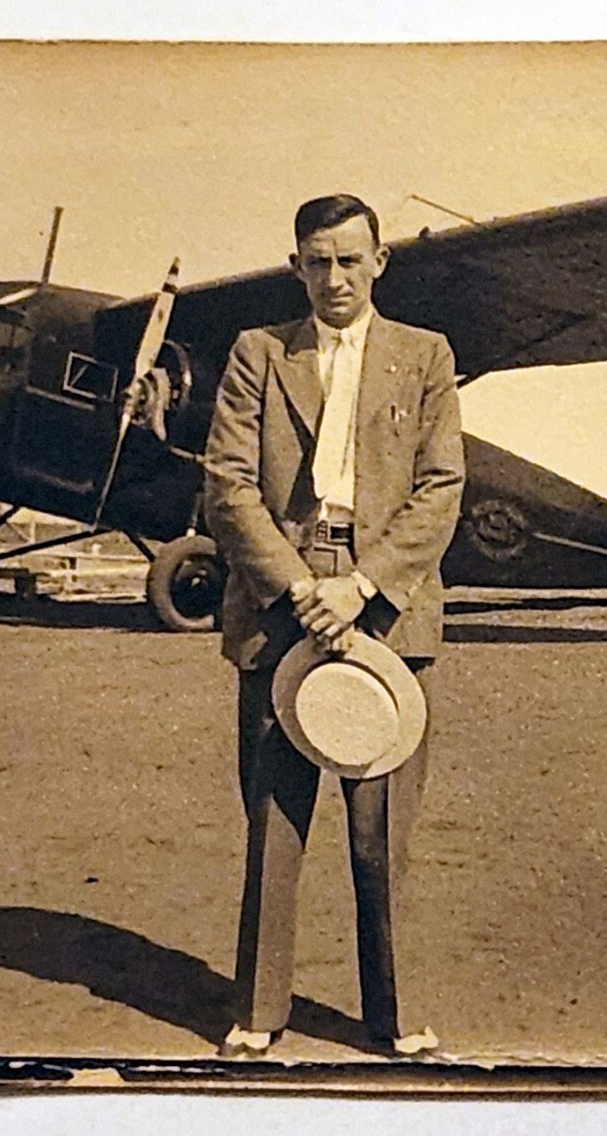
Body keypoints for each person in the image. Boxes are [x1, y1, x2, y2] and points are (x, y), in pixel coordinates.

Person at [202, 194, 465, 1059]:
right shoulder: (258, 354)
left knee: (381, 827)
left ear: (380, 263)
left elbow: (440, 490)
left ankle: (397, 1016)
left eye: (351, 261)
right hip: (280, 606)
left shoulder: (425, 357)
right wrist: (296, 586)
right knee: (275, 818)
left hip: (384, 608)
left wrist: (360, 587)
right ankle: (257, 1012)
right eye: (318, 262)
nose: (335, 278)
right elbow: (229, 486)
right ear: (296, 267)